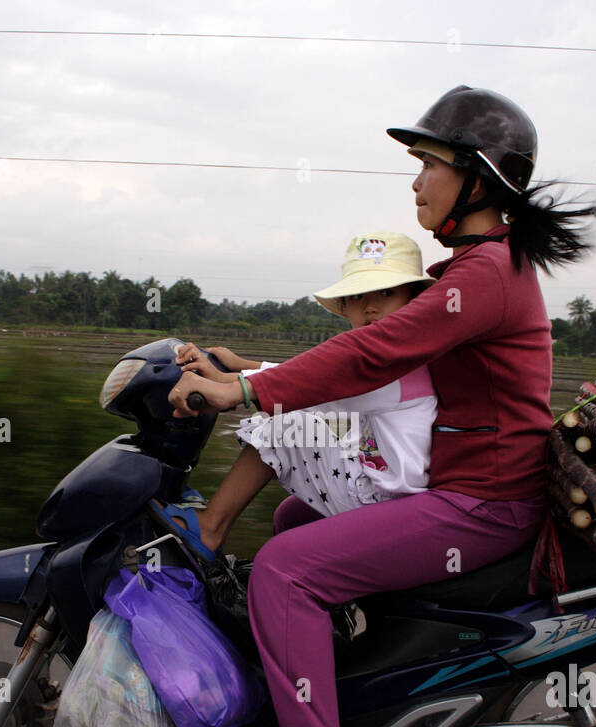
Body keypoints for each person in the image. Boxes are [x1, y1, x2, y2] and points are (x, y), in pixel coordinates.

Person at [167, 85, 596, 727]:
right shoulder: (474, 268)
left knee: (282, 570)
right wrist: (244, 368)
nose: (415, 182)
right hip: (468, 491)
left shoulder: (483, 273)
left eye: (427, 165)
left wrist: (244, 389)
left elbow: (373, 352)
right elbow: (371, 365)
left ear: (476, 176)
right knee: (293, 518)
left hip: (481, 504)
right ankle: (360, 693)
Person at [152, 233, 437, 561]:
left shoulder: (391, 368)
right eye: (358, 296)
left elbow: (308, 387)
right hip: (385, 491)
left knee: (287, 424)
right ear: (345, 307)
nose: (370, 306)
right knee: (298, 427)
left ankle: (211, 526)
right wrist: (241, 367)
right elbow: (312, 376)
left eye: (387, 293)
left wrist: (226, 385)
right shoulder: (399, 360)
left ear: (414, 302)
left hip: (382, 502)